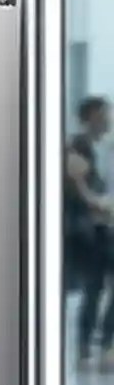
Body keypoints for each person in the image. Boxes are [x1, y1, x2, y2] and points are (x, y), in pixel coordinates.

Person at [66, 95, 114, 368]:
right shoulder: (76, 146)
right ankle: (85, 347)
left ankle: (107, 344)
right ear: (91, 116)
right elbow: (77, 188)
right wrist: (97, 203)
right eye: (104, 113)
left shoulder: (107, 147)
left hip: (108, 224)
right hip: (91, 230)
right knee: (93, 289)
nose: (109, 119)